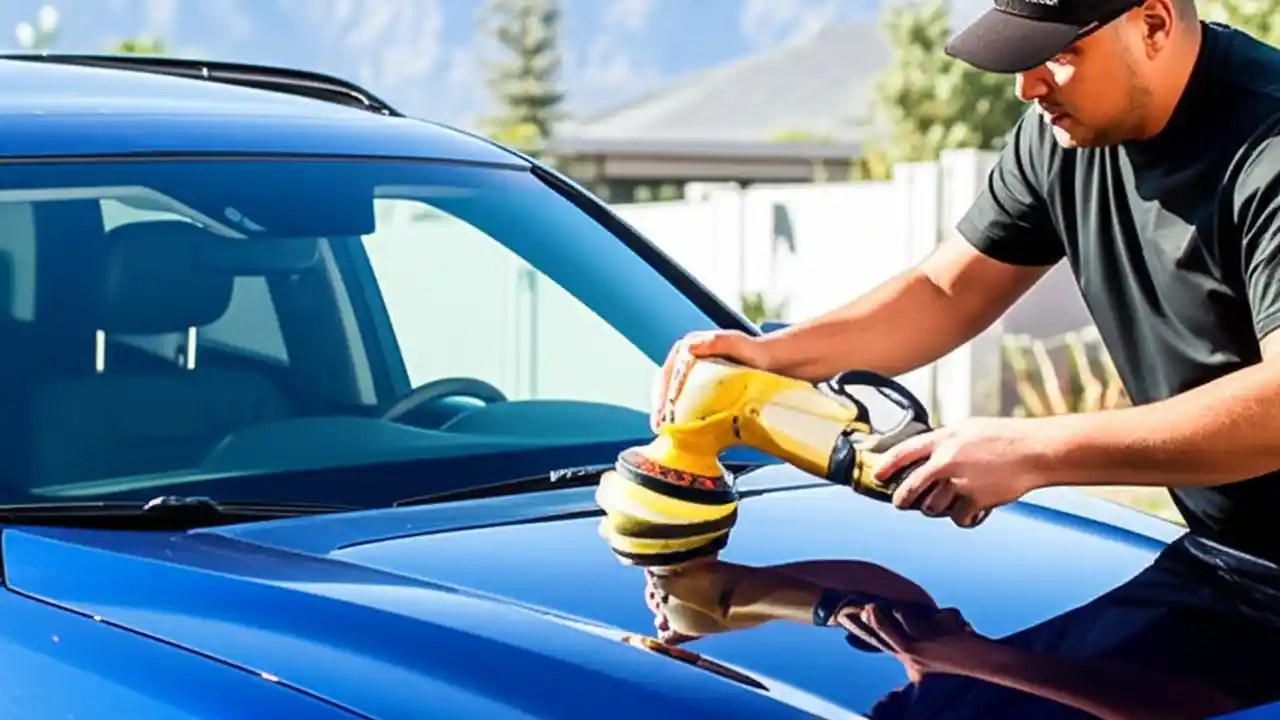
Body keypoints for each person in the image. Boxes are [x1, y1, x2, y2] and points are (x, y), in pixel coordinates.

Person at [651, 0, 1280, 564]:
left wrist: (1034, 451)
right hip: (1228, 561)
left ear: (1152, 23)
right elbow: (948, 290)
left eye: (1058, 56)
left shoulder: (1268, 145)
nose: (1026, 87)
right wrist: (773, 355)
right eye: (1021, 56)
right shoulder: (1060, 136)